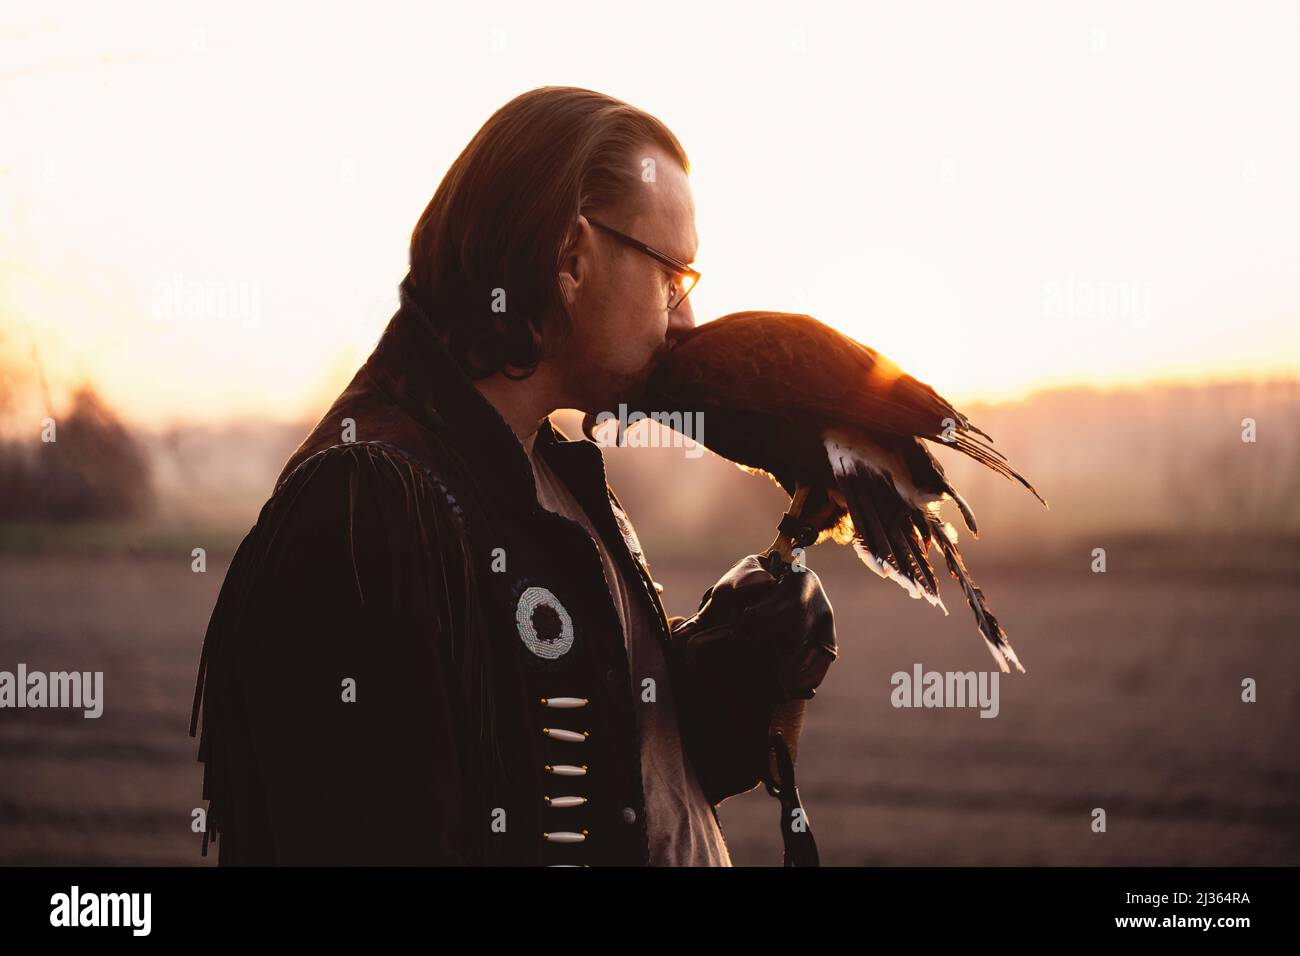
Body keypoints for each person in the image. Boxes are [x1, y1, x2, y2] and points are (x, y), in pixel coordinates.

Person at [190, 86, 837, 866]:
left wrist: (720, 679)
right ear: (570, 257)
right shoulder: (369, 508)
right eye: (673, 276)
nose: (685, 320)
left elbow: (588, 778)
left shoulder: (550, 471)